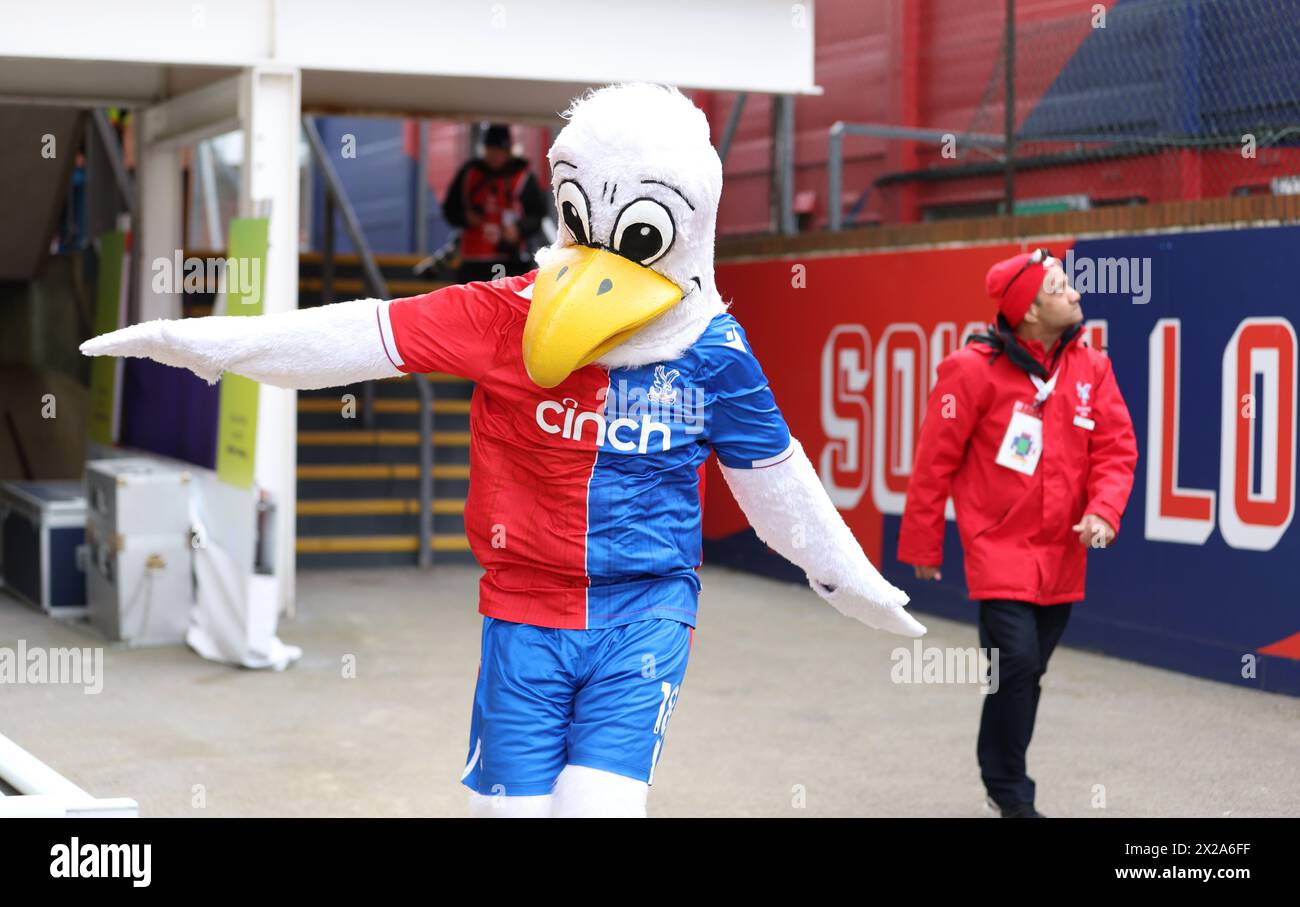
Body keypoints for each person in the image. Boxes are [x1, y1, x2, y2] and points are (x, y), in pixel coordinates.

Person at [898, 248, 1138, 818]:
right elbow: (935, 462)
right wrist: (924, 546)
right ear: (1029, 310)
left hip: (1063, 552)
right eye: (1060, 287)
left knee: (1026, 673)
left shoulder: (1091, 367)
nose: (1076, 294)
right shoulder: (970, 370)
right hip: (998, 548)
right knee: (1019, 665)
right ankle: (1008, 792)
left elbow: (1116, 449)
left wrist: (1104, 511)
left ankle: (998, 778)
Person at [442, 123, 546, 283]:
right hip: (473, 260)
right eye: (491, 150)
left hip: (510, 260)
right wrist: (465, 218)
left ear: (508, 151)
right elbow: (449, 209)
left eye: (500, 151)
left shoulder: (523, 177)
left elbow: (537, 215)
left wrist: (518, 229)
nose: (496, 156)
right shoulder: (469, 174)